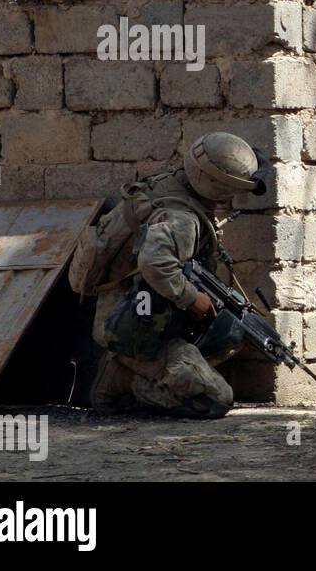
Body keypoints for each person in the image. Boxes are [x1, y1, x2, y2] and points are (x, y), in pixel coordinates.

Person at [84, 132, 266, 419]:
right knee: (216, 399)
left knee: (228, 335)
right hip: (127, 325)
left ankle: (131, 367)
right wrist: (193, 299)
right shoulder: (181, 217)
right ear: (219, 187)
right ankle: (125, 381)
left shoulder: (169, 186)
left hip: (138, 311)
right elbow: (155, 263)